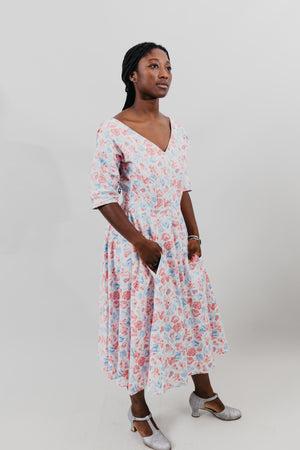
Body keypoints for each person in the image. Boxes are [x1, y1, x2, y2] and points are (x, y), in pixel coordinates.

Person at [89, 42, 241, 450]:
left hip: (175, 242)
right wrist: (140, 243)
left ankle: (203, 394)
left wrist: (194, 234)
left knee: (189, 315)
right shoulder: (113, 130)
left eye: (169, 67)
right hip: (136, 244)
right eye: (153, 66)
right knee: (141, 323)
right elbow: (104, 195)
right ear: (132, 76)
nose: (163, 73)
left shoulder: (177, 128)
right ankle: (138, 411)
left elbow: (181, 187)